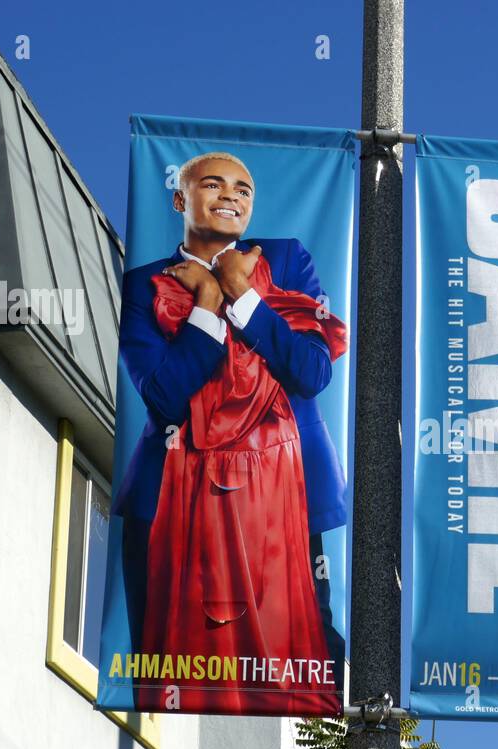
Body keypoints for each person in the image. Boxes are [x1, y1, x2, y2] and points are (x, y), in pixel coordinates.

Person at [112, 151, 347, 714]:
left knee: (311, 658)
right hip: (169, 497)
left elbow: (312, 372)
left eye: (243, 189)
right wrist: (208, 305)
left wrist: (241, 296)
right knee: (165, 660)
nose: (230, 196)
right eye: (212, 184)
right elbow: (165, 395)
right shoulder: (143, 285)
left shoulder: (285, 261)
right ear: (179, 198)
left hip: (285, 495)